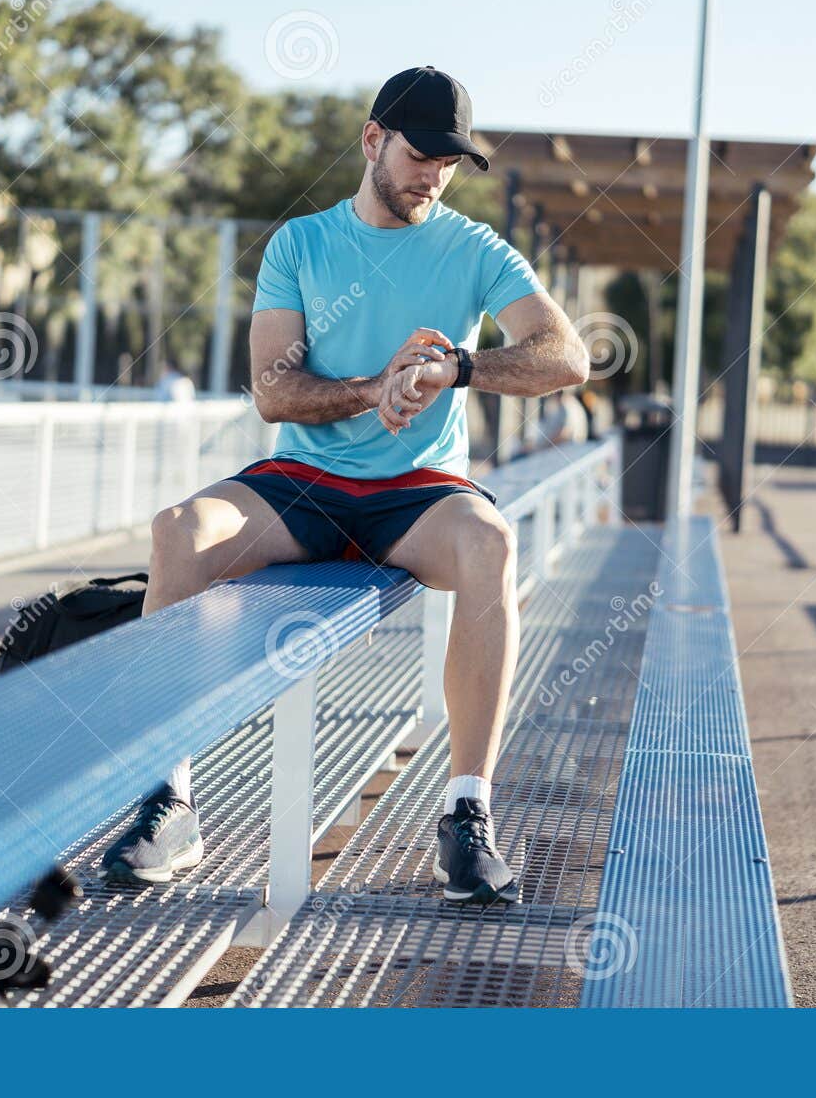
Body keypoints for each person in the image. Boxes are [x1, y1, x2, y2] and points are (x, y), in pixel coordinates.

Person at [101, 67, 589, 905]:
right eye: (420, 154)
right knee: (178, 530)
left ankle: (467, 815)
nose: (432, 175)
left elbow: (567, 357)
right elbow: (271, 392)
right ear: (373, 141)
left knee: (491, 542)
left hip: (419, 491)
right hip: (306, 481)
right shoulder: (300, 244)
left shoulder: (473, 249)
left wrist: (455, 368)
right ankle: (169, 799)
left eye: (449, 162)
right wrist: (375, 388)